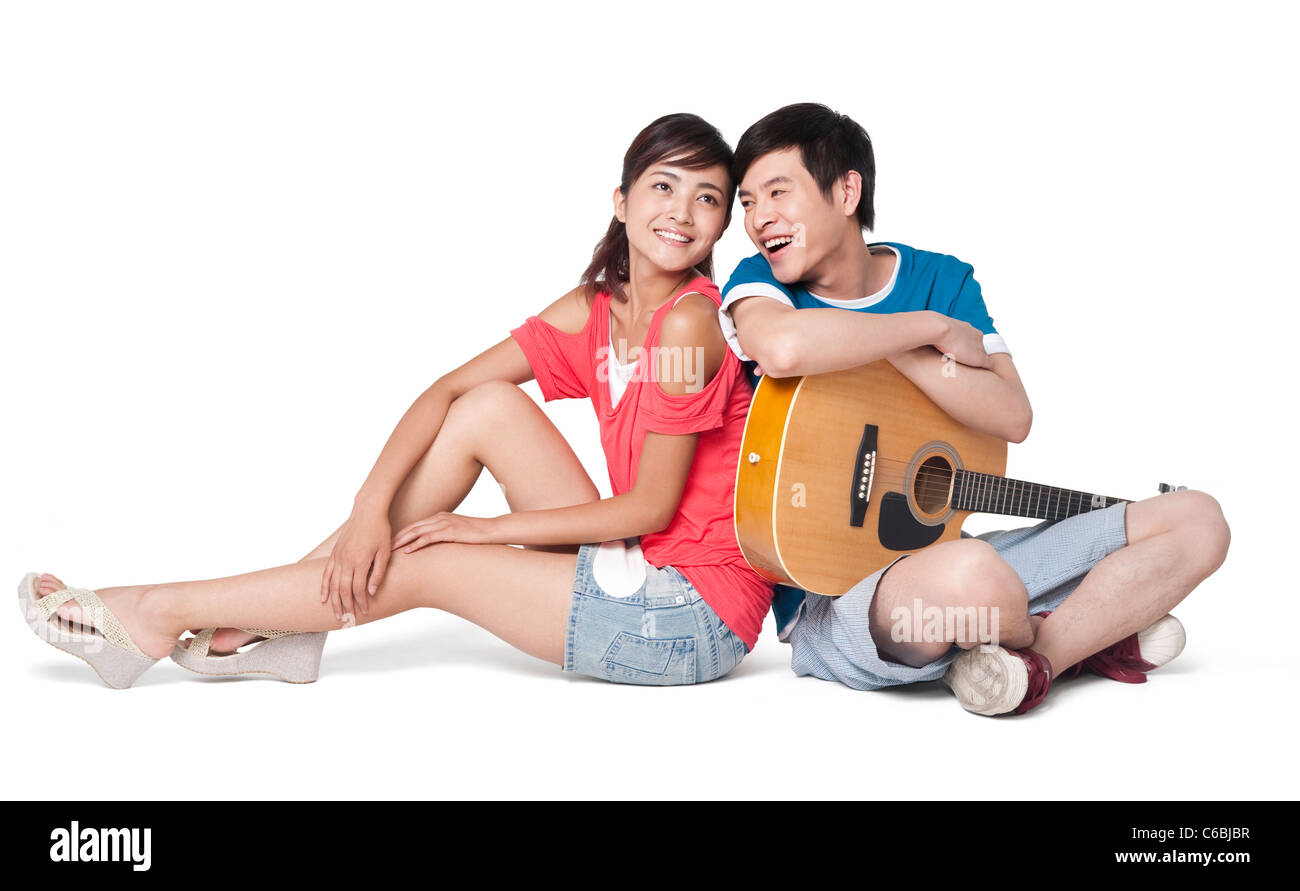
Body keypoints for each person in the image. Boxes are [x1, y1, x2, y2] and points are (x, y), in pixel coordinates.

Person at [19, 113, 772, 689]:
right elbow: (446, 389)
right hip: (636, 565)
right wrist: (369, 510)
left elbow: (646, 507)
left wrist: (487, 530)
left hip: (687, 614)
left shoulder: (690, 323)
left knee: (431, 557)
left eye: (707, 197)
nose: (682, 211)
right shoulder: (598, 308)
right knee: (485, 408)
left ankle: (159, 615)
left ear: (720, 223)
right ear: (621, 198)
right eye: (663, 186)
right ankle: (280, 625)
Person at [719, 103, 1230, 716]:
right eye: (748, 202)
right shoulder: (760, 280)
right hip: (835, 601)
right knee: (974, 576)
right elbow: (780, 347)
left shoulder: (942, 277)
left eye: (779, 192)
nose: (758, 218)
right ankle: (1085, 635)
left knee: (1198, 518)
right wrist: (923, 331)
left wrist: (891, 350)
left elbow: (1010, 415)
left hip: (955, 556)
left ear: (847, 190)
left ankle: (1037, 658)